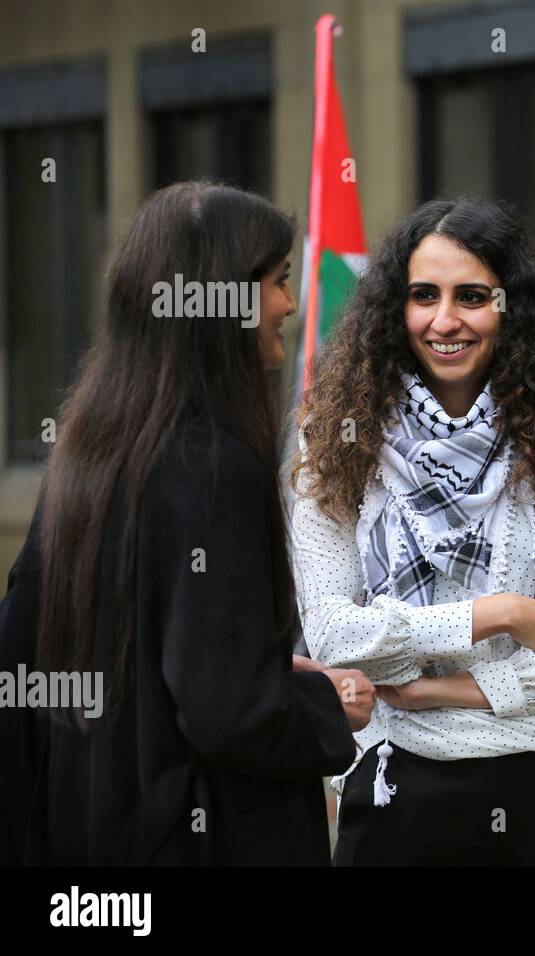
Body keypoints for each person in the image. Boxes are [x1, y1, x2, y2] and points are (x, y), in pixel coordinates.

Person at [0, 181, 366, 866]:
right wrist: (324, 705)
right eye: (278, 282)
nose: (289, 305)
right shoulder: (211, 469)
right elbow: (228, 710)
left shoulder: (89, 451)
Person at [292, 197, 535, 866]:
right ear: (397, 307)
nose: (444, 320)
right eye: (424, 295)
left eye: (472, 296)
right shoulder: (337, 448)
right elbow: (336, 634)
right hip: (404, 795)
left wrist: (435, 689)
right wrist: (495, 615)